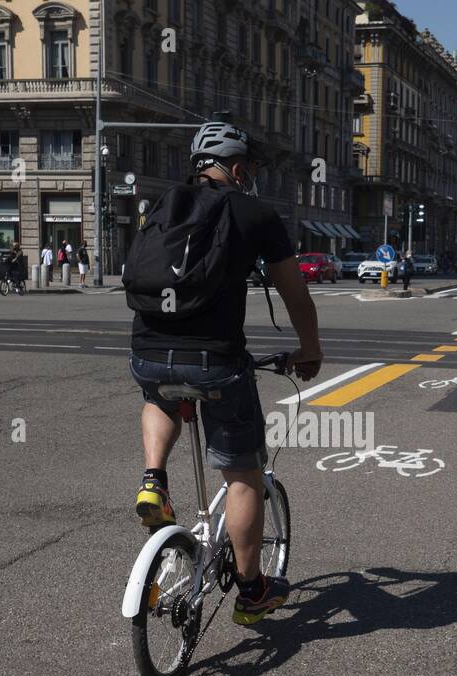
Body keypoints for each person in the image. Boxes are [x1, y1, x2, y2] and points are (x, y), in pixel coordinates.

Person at [128, 120, 324, 626]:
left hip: (148, 351)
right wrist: (308, 349)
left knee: (161, 396)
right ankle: (252, 590)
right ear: (238, 169)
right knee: (243, 475)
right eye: (250, 169)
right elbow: (296, 296)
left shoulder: (162, 206)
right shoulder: (256, 213)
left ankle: (153, 481)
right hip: (215, 361)